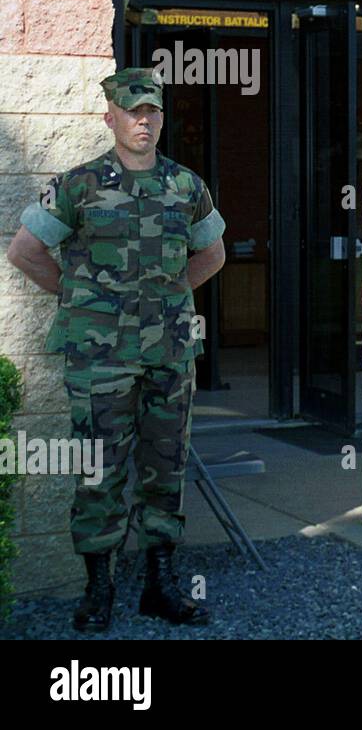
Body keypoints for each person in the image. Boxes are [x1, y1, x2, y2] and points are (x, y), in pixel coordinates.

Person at [6, 67, 226, 632]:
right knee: (98, 468)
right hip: (99, 359)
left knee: (165, 466)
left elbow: (213, 254)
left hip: (169, 354)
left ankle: (160, 582)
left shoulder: (185, 185)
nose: (144, 121)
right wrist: (82, 301)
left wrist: (168, 299)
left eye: (152, 111)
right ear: (111, 118)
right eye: (133, 112)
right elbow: (26, 250)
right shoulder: (77, 184)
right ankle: (98, 588)